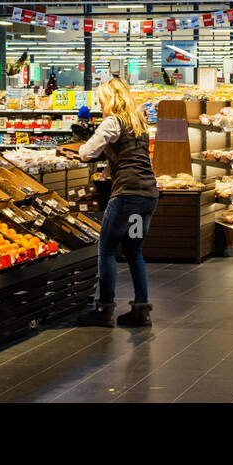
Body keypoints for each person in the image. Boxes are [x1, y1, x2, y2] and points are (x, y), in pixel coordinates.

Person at [76, 77, 158, 328]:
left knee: (107, 248)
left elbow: (86, 153)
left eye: (102, 101)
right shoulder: (139, 123)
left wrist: (83, 146)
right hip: (148, 196)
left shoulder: (113, 122)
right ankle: (141, 309)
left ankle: (105, 309)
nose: (101, 106)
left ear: (110, 100)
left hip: (127, 196)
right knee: (134, 251)